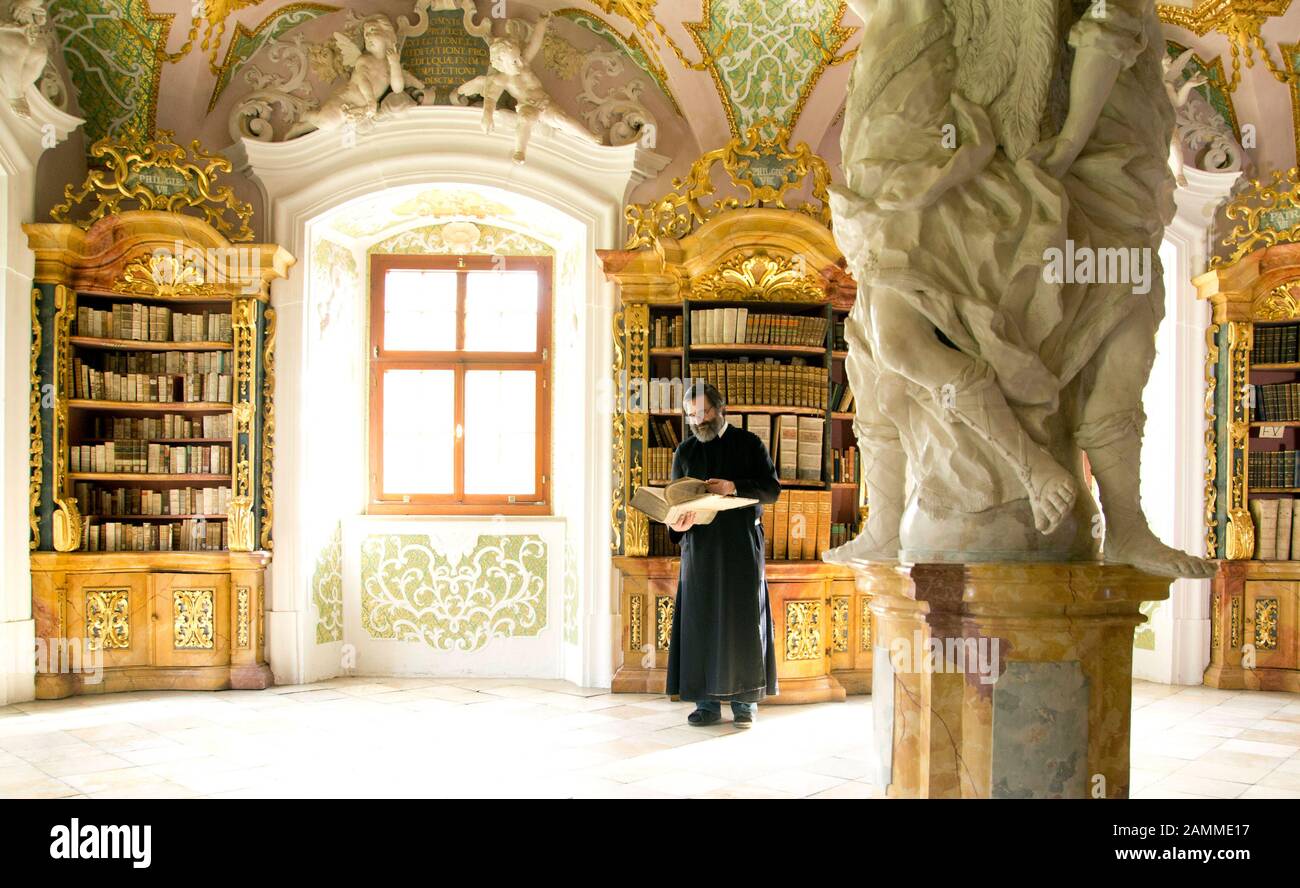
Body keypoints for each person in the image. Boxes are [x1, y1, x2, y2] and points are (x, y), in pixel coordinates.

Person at [665, 382, 781, 728]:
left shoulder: (749, 444)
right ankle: (706, 704)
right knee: (701, 622)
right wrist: (679, 526)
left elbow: (772, 491)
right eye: (691, 415)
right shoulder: (684, 452)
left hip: (741, 547)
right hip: (699, 549)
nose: (697, 420)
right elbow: (675, 503)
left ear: (721, 409)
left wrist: (732, 487)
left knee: (742, 622)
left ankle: (745, 704)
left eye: (703, 412)